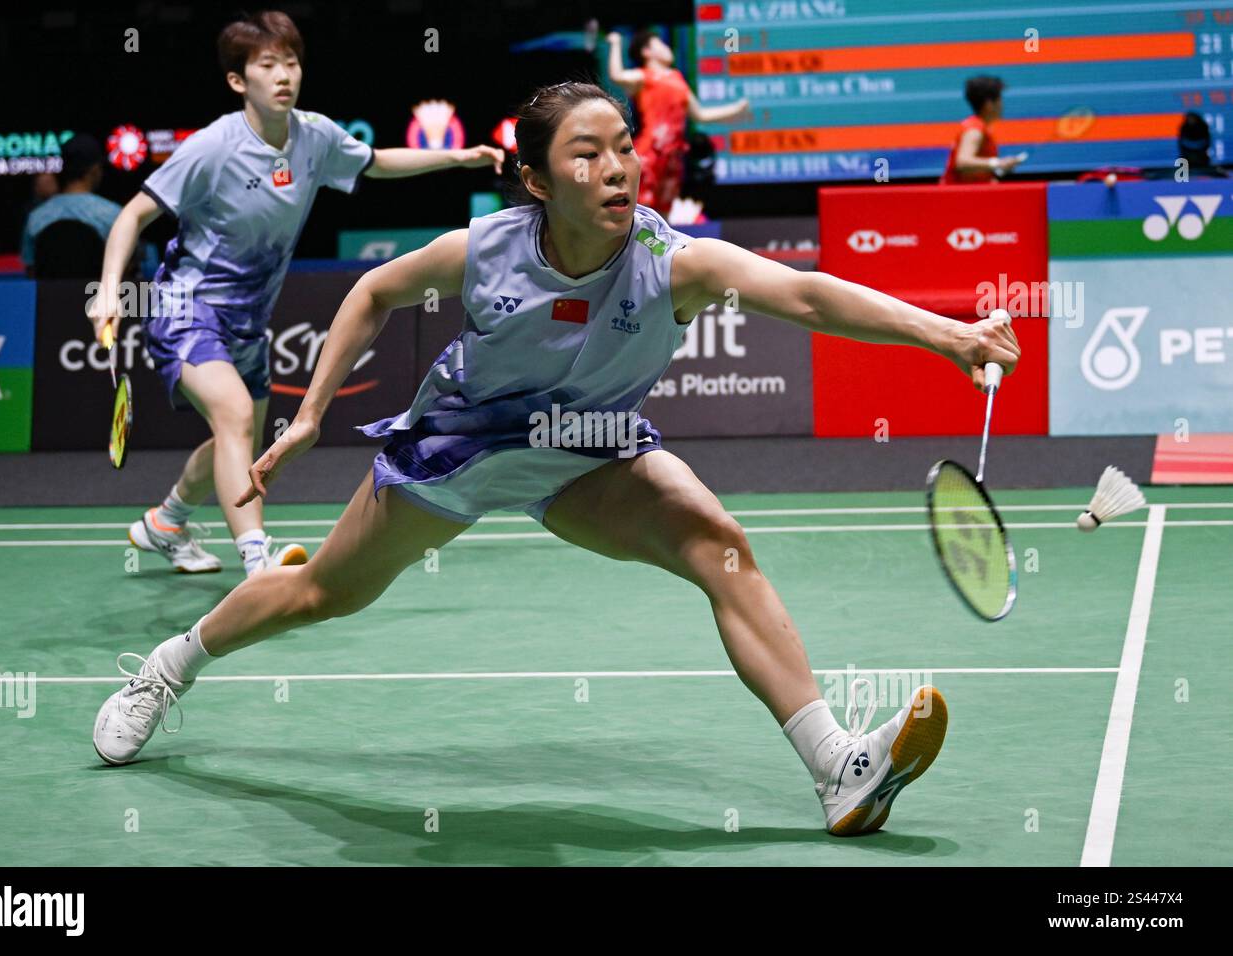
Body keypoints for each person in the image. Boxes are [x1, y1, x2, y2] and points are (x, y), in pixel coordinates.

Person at [92, 81, 1019, 837]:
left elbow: (807, 297)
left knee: (719, 544)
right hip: (465, 440)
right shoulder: (488, 249)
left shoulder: (671, 261)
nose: (618, 168)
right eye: (588, 153)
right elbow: (376, 291)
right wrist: (307, 418)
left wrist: (947, 335)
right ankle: (171, 665)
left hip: (588, 447)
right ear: (536, 179)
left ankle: (838, 770)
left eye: (624, 145)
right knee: (322, 593)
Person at [87, 10, 503, 578]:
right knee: (234, 416)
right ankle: (259, 563)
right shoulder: (213, 147)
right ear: (239, 81)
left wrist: (457, 158)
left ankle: (165, 523)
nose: (284, 74)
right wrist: (110, 291)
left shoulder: (314, 136)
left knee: (238, 437)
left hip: (249, 320)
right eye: (267, 65)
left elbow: (377, 164)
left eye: (291, 62)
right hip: (185, 307)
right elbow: (133, 215)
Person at [606, 28, 749, 215]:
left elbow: (701, 115)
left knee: (664, 213)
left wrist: (736, 109)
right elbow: (617, 76)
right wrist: (616, 43)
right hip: (651, 153)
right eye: (660, 44)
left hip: (673, 157)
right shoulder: (644, 76)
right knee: (639, 209)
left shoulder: (677, 79)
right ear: (646, 52)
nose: (667, 48)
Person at [21, 135, 146, 278]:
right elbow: (129, 269)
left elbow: (31, 272)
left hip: (50, 299)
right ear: (94, 170)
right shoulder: (115, 215)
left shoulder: (36, 217)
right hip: (99, 298)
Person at [940, 75, 1024, 184]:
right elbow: (963, 162)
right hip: (956, 197)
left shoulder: (980, 128)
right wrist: (998, 163)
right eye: (999, 99)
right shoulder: (975, 130)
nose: (1002, 105)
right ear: (989, 104)